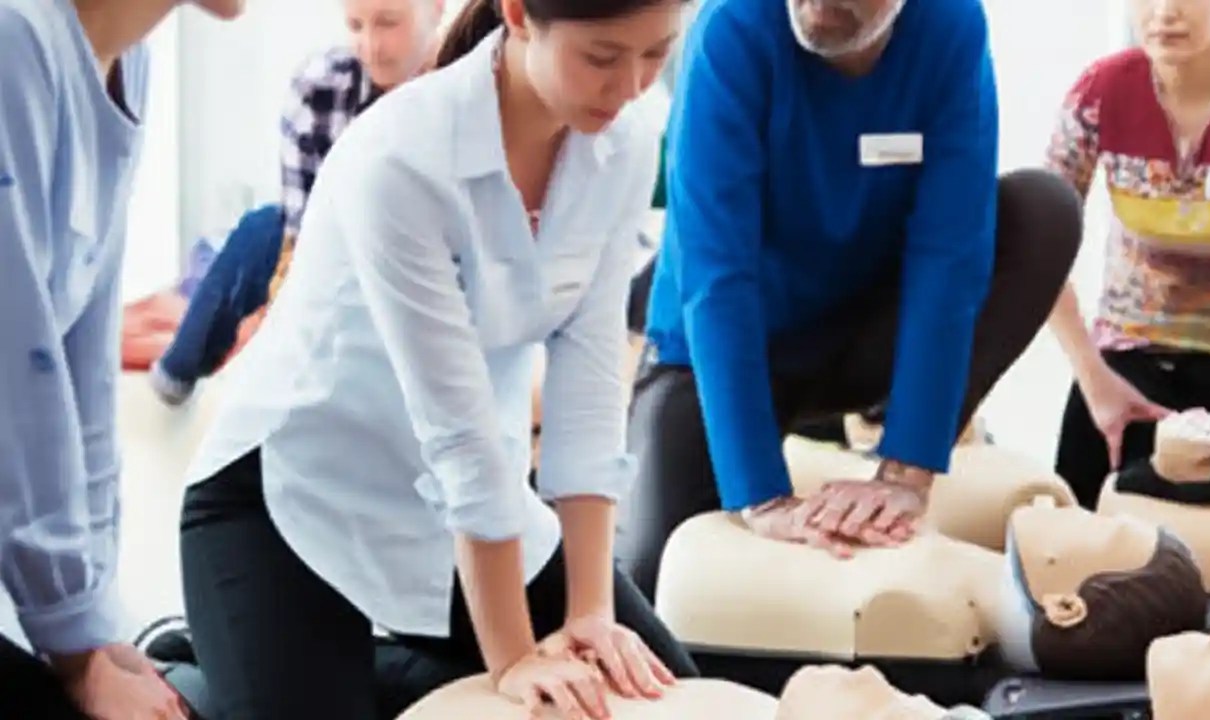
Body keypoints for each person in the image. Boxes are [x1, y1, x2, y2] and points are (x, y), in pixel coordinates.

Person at [177, 0, 698, 717]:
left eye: (655, 55)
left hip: (461, 505)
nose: (631, 87)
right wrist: (513, 659)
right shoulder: (400, 157)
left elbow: (587, 375)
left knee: (665, 694)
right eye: (603, 58)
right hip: (291, 497)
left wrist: (590, 613)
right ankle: (196, 667)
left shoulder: (628, 139)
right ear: (518, 14)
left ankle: (380, 669)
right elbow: (460, 432)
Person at [617, 0, 1085, 601]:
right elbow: (718, 275)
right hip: (725, 352)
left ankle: (891, 430)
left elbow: (949, 255)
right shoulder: (732, 26)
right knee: (655, 578)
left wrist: (907, 473)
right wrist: (761, 494)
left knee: (1042, 212)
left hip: (862, 333)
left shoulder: (951, 24)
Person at [0, 0, 246, 718]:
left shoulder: (125, 60)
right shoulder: (16, 37)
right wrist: (75, 650)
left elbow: (85, 364)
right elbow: (21, 370)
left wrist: (93, 624)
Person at [148, 0, 447, 406]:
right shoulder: (322, 85)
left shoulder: (470, 92)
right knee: (262, 229)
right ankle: (177, 369)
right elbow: (301, 237)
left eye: (389, 24)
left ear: (437, 8)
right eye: (355, 26)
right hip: (334, 259)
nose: (371, 46)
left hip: (426, 273)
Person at [1046, 0, 1210, 509]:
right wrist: (1095, 379)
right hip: (1128, 365)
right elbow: (1039, 243)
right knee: (1078, 543)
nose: (1164, 12)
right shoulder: (1102, 91)